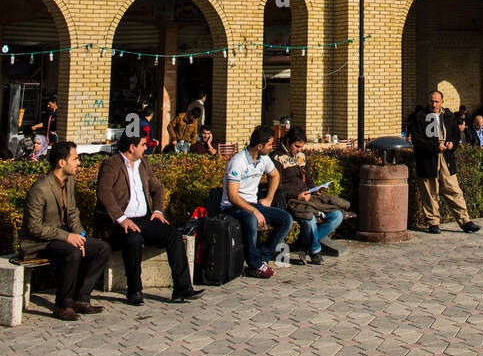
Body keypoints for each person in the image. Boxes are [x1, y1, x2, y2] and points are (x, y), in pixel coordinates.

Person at [94, 135, 202, 305]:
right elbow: (104, 193)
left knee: (173, 233)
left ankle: (182, 287)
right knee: (133, 239)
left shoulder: (143, 164)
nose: (146, 148)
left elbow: (158, 188)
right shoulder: (111, 164)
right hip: (118, 224)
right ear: (131, 147)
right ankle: (134, 290)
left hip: (144, 219)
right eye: (143, 145)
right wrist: (121, 219)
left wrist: (158, 210)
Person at [19, 141, 111, 322]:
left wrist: (81, 236)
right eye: (75, 159)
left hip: (62, 235)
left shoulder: (68, 181)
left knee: (102, 248)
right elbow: (34, 227)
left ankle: (81, 298)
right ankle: (63, 305)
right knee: (72, 252)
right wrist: (68, 237)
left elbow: (72, 213)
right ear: (62, 162)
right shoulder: (40, 189)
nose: (78, 163)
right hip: (40, 241)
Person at [270, 126, 353, 263]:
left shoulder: (301, 157)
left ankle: (304, 244)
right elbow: (278, 188)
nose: (299, 150)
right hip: (291, 201)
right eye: (296, 146)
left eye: (301, 147)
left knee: (337, 215)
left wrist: (315, 189)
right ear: (288, 141)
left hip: (309, 198)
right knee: (310, 219)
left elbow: (308, 179)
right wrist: (297, 196)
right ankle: (315, 251)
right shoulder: (277, 158)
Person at [221, 126, 294, 277]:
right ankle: (254, 264)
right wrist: (254, 211)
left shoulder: (264, 159)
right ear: (259, 146)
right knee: (251, 219)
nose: (271, 147)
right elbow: (233, 196)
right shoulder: (238, 162)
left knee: (285, 219)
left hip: (253, 205)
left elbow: (275, 175)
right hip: (232, 206)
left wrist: (268, 198)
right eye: (269, 145)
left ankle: (263, 257)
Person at [406, 90, 481, 235]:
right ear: (428, 102)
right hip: (428, 159)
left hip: (446, 157)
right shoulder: (420, 117)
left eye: (436, 101)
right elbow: (417, 140)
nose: (434, 104)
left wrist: (452, 143)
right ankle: (433, 223)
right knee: (429, 192)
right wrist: (434, 147)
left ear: (442, 102)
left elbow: (455, 135)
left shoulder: (449, 116)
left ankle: (465, 221)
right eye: (431, 101)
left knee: (453, 189)